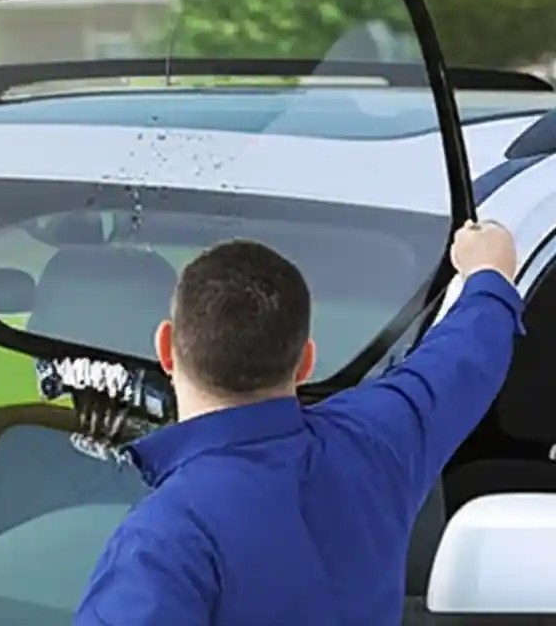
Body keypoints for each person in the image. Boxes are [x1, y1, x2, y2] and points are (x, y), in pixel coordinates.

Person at [73, 220, 525, 626]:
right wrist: (489, 270)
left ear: (166, 348)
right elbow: (462, 359)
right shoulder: (374, 444)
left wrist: (488, 278)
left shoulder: (161, 542)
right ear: (306, 361)